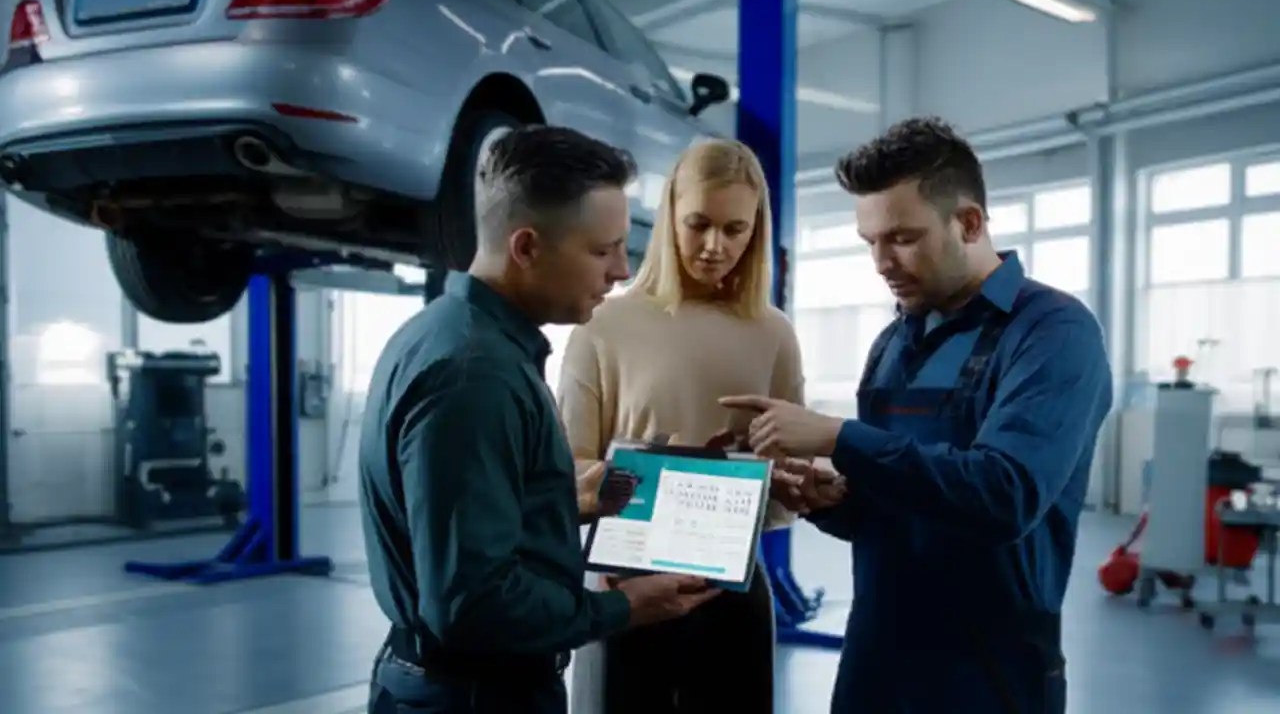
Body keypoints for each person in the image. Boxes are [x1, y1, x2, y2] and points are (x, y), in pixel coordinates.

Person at [720, 116, 1114, 714]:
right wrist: (836, 501)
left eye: (902, 237)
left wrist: (837, 436)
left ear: (970, 222)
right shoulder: (895, 341)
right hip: (877, 661)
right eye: (870, 242)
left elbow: (1004, 494)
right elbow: (898, 504)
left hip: (988, 672)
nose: (881, 261)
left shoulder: (1053, 333)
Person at [357, 124, 722, 714]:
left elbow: (459, 530)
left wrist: (558, 505)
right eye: (602, 251)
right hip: (477, 696)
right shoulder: (476, 376)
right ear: (526, 248)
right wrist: (625, 608)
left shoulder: (451, 334)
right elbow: (471, 605)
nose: (620, 272)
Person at [557, 138, 805, 714]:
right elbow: (564, 472)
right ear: (670, 212)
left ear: (756, 231)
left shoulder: (773, 332)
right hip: (626, 590)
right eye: (698, 224)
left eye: (735, 229)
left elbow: (787, 486)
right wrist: (645, 476)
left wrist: (773, 473)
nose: (715, 247)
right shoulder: (602, 325)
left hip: (731, 591)